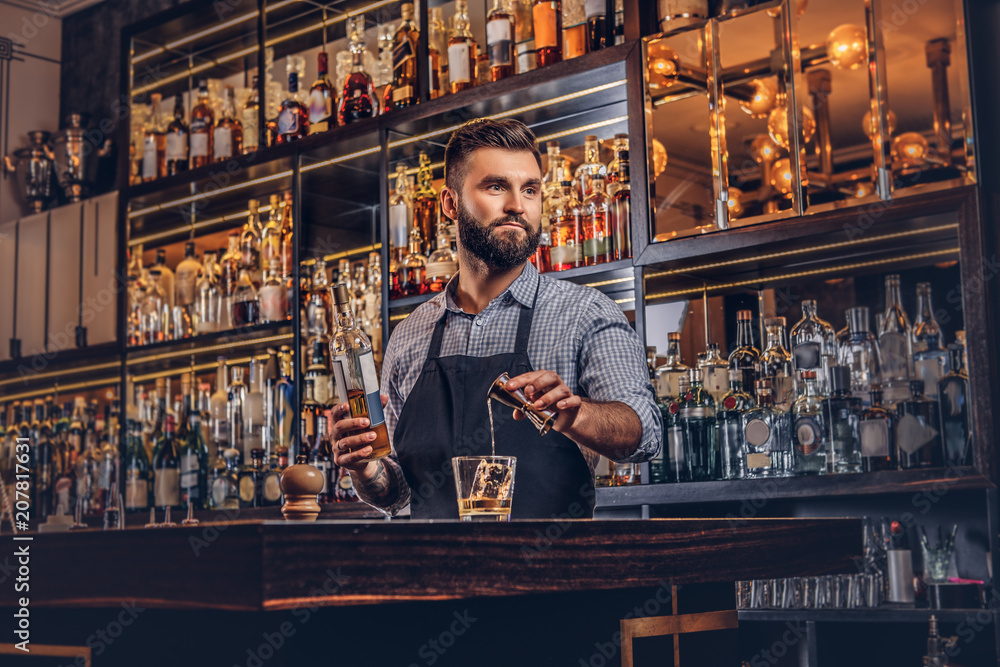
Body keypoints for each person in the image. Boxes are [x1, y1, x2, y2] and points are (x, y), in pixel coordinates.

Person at [331, 118, 661, 519]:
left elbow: (643, 434)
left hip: (551, 575)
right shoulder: (409, 336)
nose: (517, 205)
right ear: (450, 204)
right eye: (495, 186)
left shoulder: (584, 314)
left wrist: (577, 415)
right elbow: (399, 491)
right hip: (434, 578)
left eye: (530, 190)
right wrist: (365, 467)